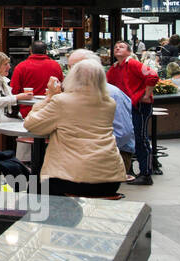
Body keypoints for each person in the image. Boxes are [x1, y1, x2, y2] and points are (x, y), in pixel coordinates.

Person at [22, 59, 126, 198]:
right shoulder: (109, 103)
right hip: (110, 179)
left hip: (71, 178)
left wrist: (50, 97)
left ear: (72, 77)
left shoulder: (62, 101)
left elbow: (31, 124)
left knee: (37, 188)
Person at [69, 48, 134, 176]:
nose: (71, 72)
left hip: (112, 154)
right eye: (69, 67)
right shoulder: (74, 94)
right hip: (85, 154)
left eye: (75, 67)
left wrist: (92, 149)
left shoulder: (112, 94)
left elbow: (122, 133)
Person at [107, 41, 160, 186]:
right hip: (126, 106)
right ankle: (128, 169)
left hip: (139, 106)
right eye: (116, 47)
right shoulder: (115, 68)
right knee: (128, 137)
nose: (117, 48)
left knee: (140, 138)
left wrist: (146, 95)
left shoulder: (133, 64)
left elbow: (152, 75)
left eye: (122, 47)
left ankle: (146, 174)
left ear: (129, 52)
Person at [9, 41, 62, 117]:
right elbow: (61, 87)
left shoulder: (21, 67)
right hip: (51, 110)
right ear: (46, 51)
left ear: (30, 51)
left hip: (27, 111)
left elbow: (14, 90)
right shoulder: (56, 66)